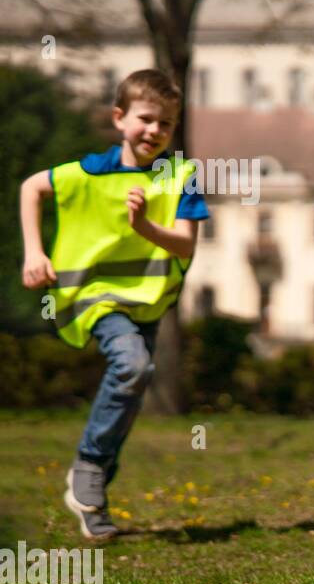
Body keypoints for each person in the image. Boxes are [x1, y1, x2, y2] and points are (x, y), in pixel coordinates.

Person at [18, 69, 207, 540]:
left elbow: (185, 246)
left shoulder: (180, 177)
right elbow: (31, 188)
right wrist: (34, 252)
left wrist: (144, 226)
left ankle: (92, 496)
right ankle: (88, 466)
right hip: (91, 299)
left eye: (166, 124)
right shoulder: (87, 173)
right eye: (146, 119)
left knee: (133, 384)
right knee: (133, 367)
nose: (155, 131)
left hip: (146, 304)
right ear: (120, 118)